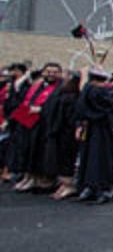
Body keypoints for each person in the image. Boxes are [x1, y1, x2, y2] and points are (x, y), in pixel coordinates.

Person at [11, 63, 62, 192]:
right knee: (26, 149)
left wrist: (41, 109)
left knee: (38, 152)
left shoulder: (60, 88)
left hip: (44, 125)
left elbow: (56, 106)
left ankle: (37, 178)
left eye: (55, 72)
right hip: (29, 122)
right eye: (48, 71)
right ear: (43, 72)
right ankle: (28, 176)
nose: (51, 74)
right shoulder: (37, 85)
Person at [75, 66, 113, 204]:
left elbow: (92, 102)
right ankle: (89, 187)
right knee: (88, 158)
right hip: (91, 130)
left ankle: (102, 189)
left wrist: (85, 83)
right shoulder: (103, 92)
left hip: (104, 131)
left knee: (100, 159)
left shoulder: (107, 93)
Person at [38, 71, 81, 200]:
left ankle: (69, 185)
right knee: (61, 159)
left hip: (67, 132)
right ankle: (63, 184)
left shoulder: (73, 97)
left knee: (67, 160)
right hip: (59, 131)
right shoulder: (62, 94)